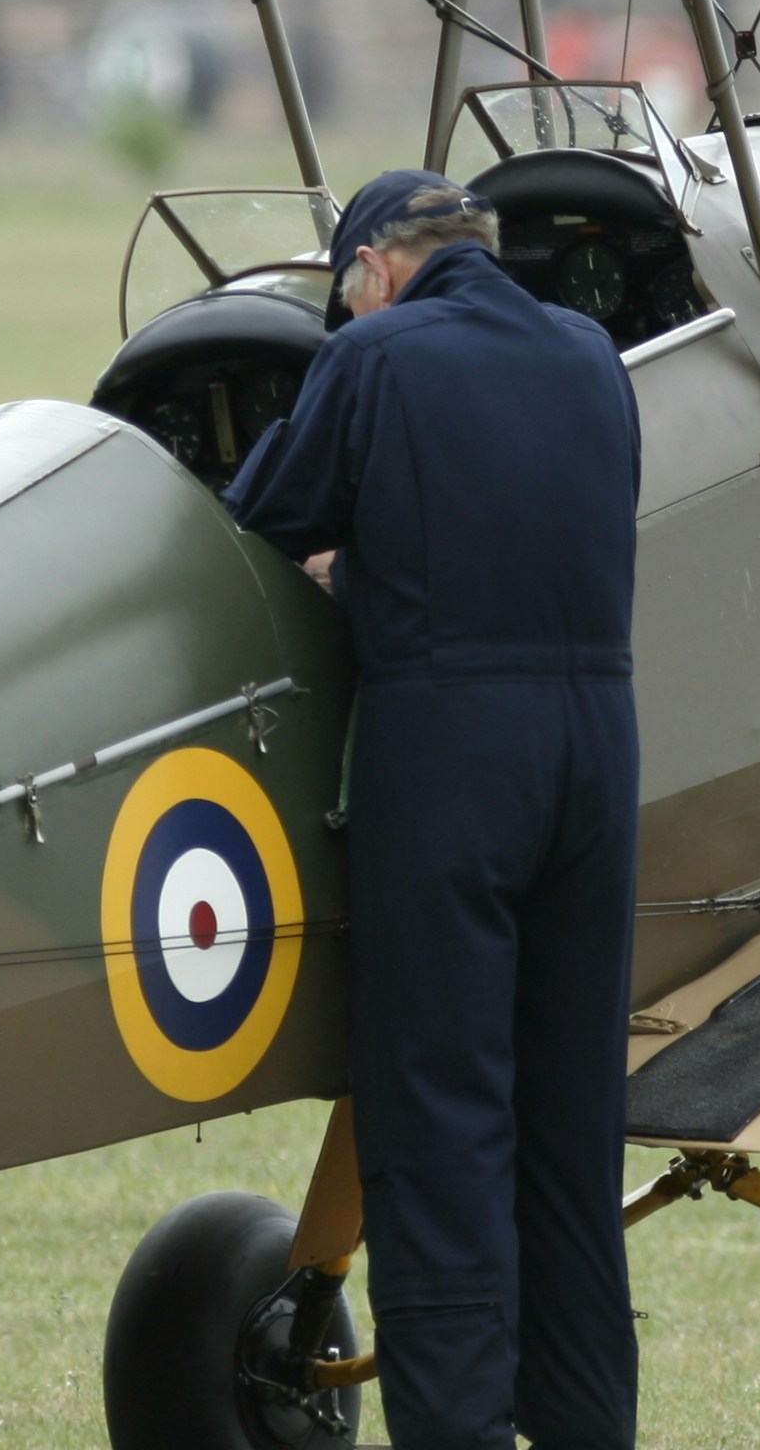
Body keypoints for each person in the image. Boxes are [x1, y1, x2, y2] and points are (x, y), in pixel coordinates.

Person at [225, 169, 643, 1450]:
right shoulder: (592, 356)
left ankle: (458, 1426)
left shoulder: (378, 357)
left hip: (452, 751)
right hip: (599, 754)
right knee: (570, 1129)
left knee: (438, 1111)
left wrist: (348, 567)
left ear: (373, 273)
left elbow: (259, 526)